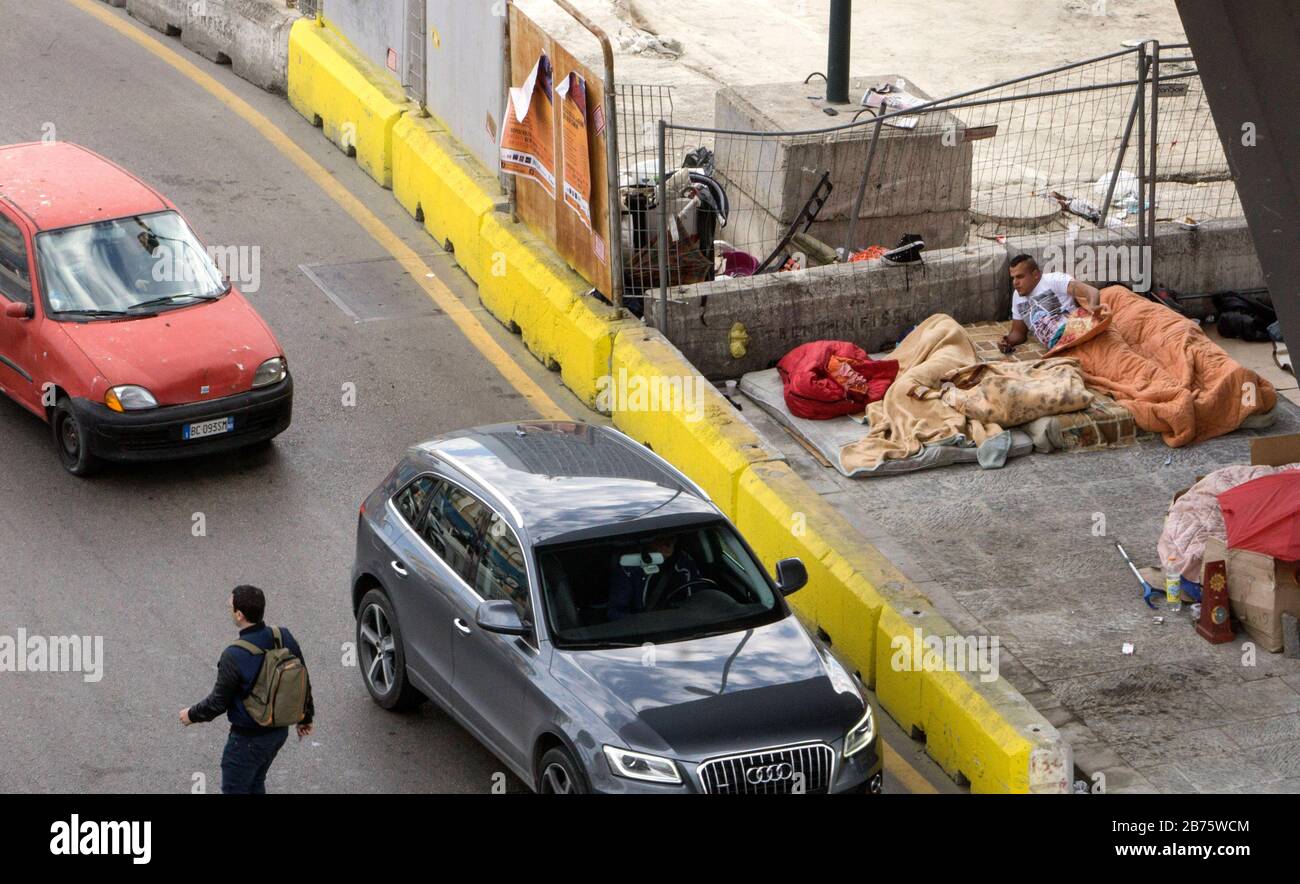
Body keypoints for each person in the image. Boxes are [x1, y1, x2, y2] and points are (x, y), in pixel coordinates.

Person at [179, 585, 314, 794]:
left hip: (248, 740)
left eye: (230, 607)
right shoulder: (283, 636)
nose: (229, 609)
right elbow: (302, 679)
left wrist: (191, 714)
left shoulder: (234, 655)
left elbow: (217, 703)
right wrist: (305, 717)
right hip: (278, 733)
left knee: (237, 788)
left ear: (239, 615)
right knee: (255, 782)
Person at [1000, 254, 1101, 354]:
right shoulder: (1017, 297)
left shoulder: (1055, 280)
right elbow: (1018, 333)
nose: (1015, 282)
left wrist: (1093, 306)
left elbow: (1091, 291)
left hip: (1081, 336)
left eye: (1020, 277)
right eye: (1013, 278)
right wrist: (1008, 341)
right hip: (1061, 350)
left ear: (1035, 274)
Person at [608, 533, 705, 621]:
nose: (668, 544)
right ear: (648, 542)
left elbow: (699, 599)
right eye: (661, 539)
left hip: (685, 623)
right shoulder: (629, 566)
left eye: (672, 538)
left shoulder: (684, 563)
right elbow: (617, 611)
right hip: (647, 630)